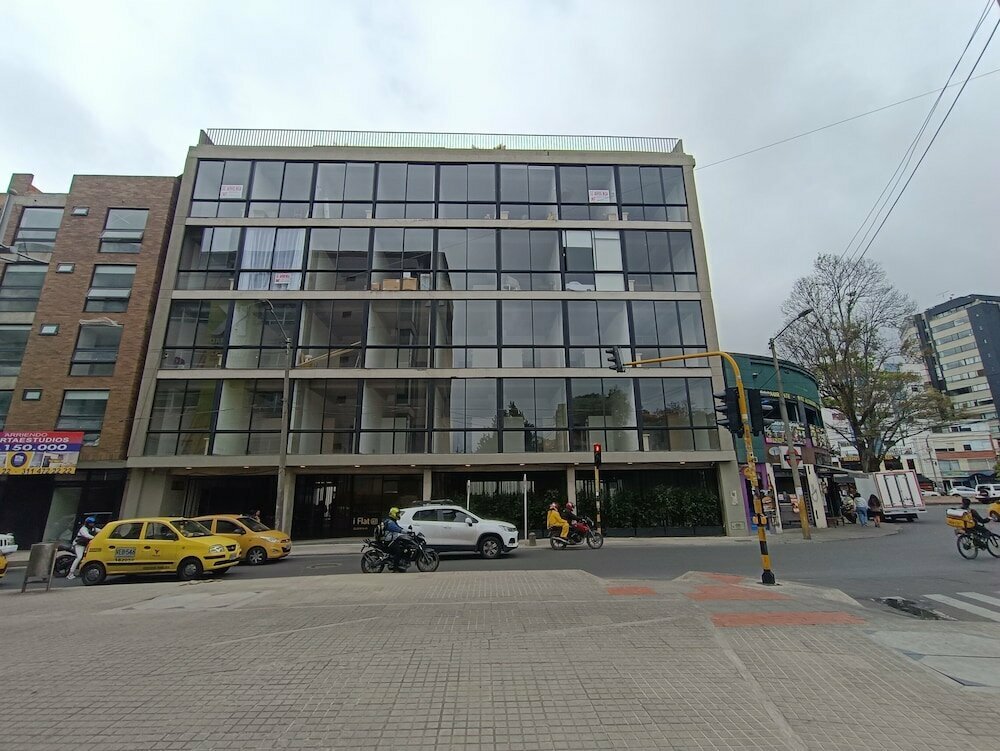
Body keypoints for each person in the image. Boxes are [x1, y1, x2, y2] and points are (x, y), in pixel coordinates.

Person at [67, 516, 99, 580]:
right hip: (79, 545)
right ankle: (70, 574)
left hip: (86, 545)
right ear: (87, 523)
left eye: (93, 523)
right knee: (79, 557)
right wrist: (95, 538)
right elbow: (86, 535)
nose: (92, 524)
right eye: (90, 523)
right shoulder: (83, 529)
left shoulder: (93, 529)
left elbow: (101, 531)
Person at [381, 507, 408, 572]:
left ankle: (401, 563)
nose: (399, 515)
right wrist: (406, 532)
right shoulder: (390, 523)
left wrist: (407, 531)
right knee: (398, 551)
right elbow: (397, 529)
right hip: (389, 541)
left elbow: (399, 527)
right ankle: (395, 567)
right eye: (397, 514)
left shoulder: (393, 521)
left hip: (392, 540)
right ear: (393, 514)